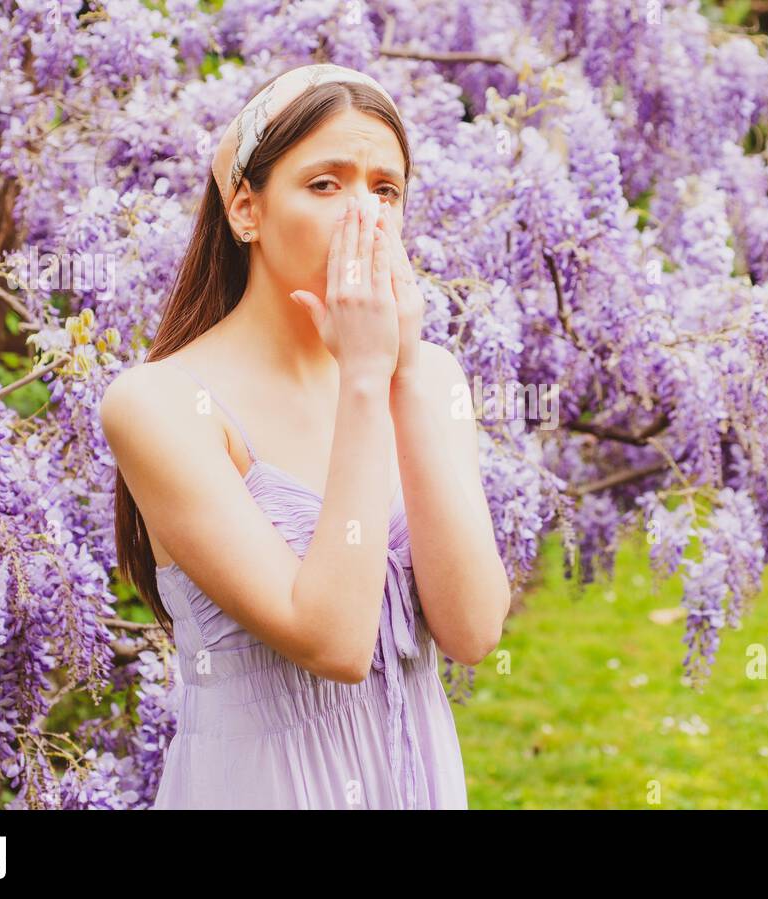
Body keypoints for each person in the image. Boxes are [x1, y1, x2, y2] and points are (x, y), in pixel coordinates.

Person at [99, 63, 512, 809]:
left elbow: (474, 629)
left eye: (385, 190)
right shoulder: (159, 403)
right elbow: (333, 641)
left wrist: (404, 377)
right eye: (326, 185)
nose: (366, 217)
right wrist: (364, 379)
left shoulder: (432, 380)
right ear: (246, 210)